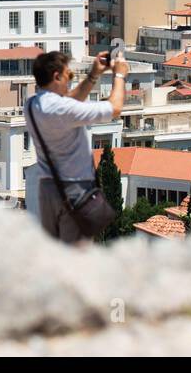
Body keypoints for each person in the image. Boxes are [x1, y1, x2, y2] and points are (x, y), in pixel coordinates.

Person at [26, 50, 128, 245]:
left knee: (53, 252)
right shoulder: (62, 109)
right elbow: (114, 108)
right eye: (69, 75)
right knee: (76, 256)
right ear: (56, 76)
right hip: (74, 189)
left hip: (47, 188)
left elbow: (68, 102)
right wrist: (119, 75)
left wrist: (93, 75)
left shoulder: (32, 104)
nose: (69, 80)